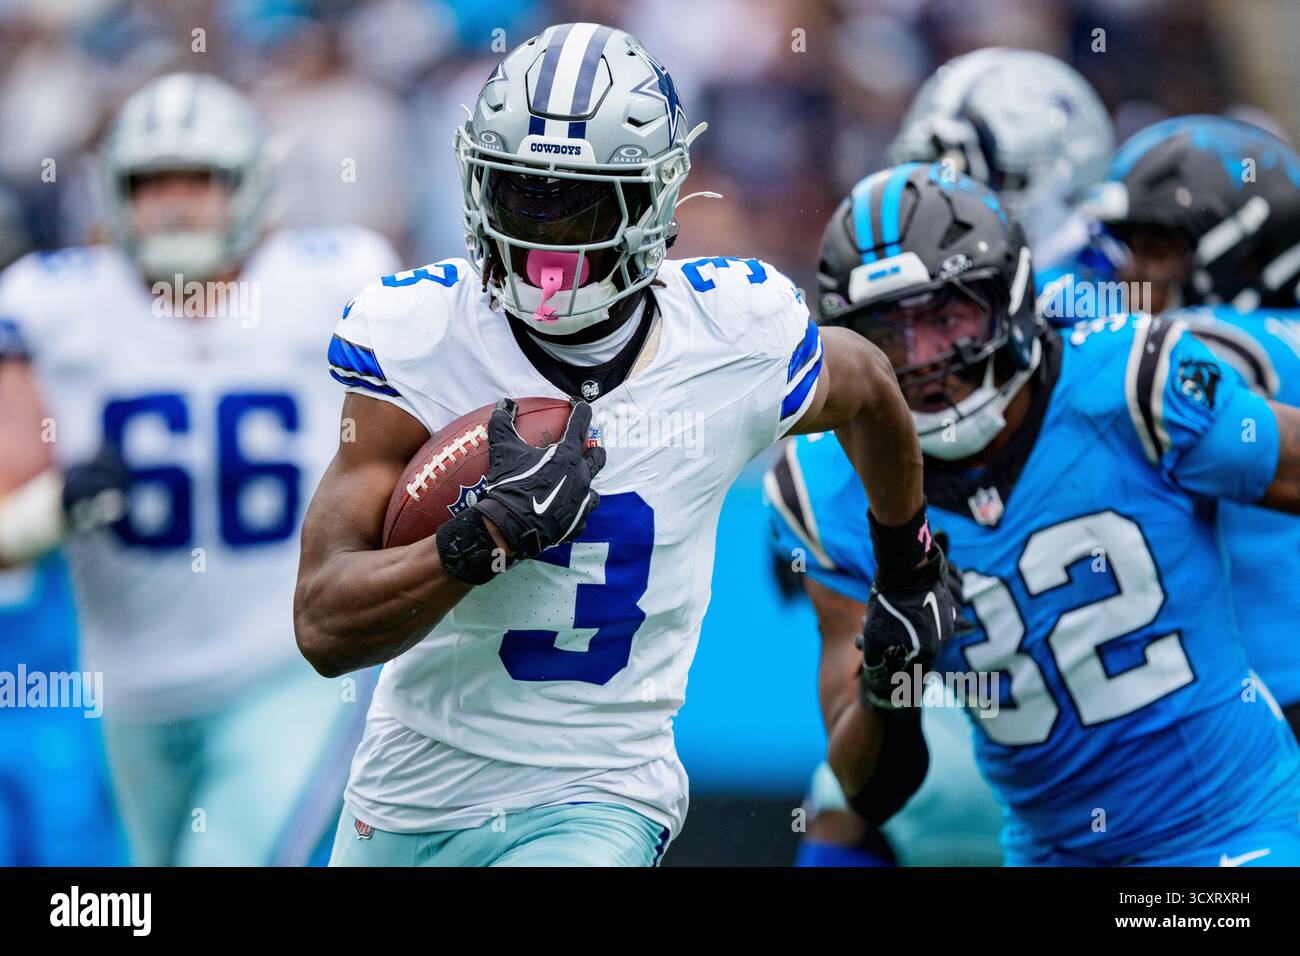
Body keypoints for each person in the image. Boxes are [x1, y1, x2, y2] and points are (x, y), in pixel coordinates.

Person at [294, 22, 959, 868]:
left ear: (650, 200)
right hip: (408, 793)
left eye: (576, 202)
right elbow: (322, 623)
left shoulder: (730, 337)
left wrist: (907, 562)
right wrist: (474, 543)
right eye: (520, 195)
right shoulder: (422, 339)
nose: (544, 240)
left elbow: (866, 381)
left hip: (597, 794)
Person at [768, 161, 1300, 866]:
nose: (923, 359)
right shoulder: (826, 488)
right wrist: (890, 678)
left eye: (947, 315)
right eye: (889, 334)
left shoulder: (1128, 385)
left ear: (1009, 299)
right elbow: (871, 794)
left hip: (1233, 834)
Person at [0, 72, 399, 865]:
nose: (177, 204)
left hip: (289, 667)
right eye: (153, 184)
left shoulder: (332, 280)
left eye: (200, 180)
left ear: (250, 187)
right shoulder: (53, 304)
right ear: (113, 195)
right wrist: (57, 504)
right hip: (129, 687)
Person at [1085, 115, 1300, 735]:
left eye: (1156, 249)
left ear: (1249, 251)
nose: (1129, 275)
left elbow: (1178, 357)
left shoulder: (1220, 341)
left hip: (1268, 705)